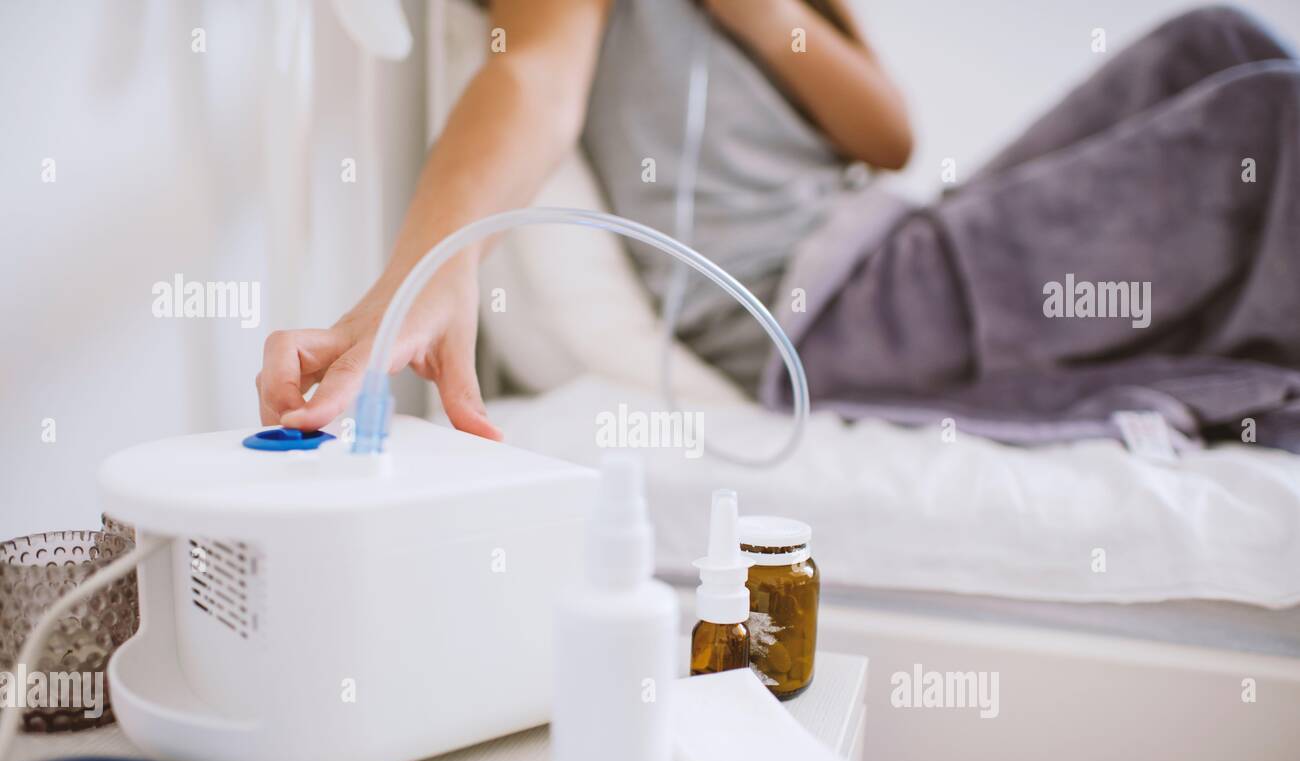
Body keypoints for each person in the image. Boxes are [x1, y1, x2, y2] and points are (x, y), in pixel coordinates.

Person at [257, 1, 1300, 450]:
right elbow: (533, 76)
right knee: (1270, 117)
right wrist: (428, 270)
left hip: (893, 236)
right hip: (821, 304)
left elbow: (889, 135)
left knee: (1214, 40)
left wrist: (768, 19)